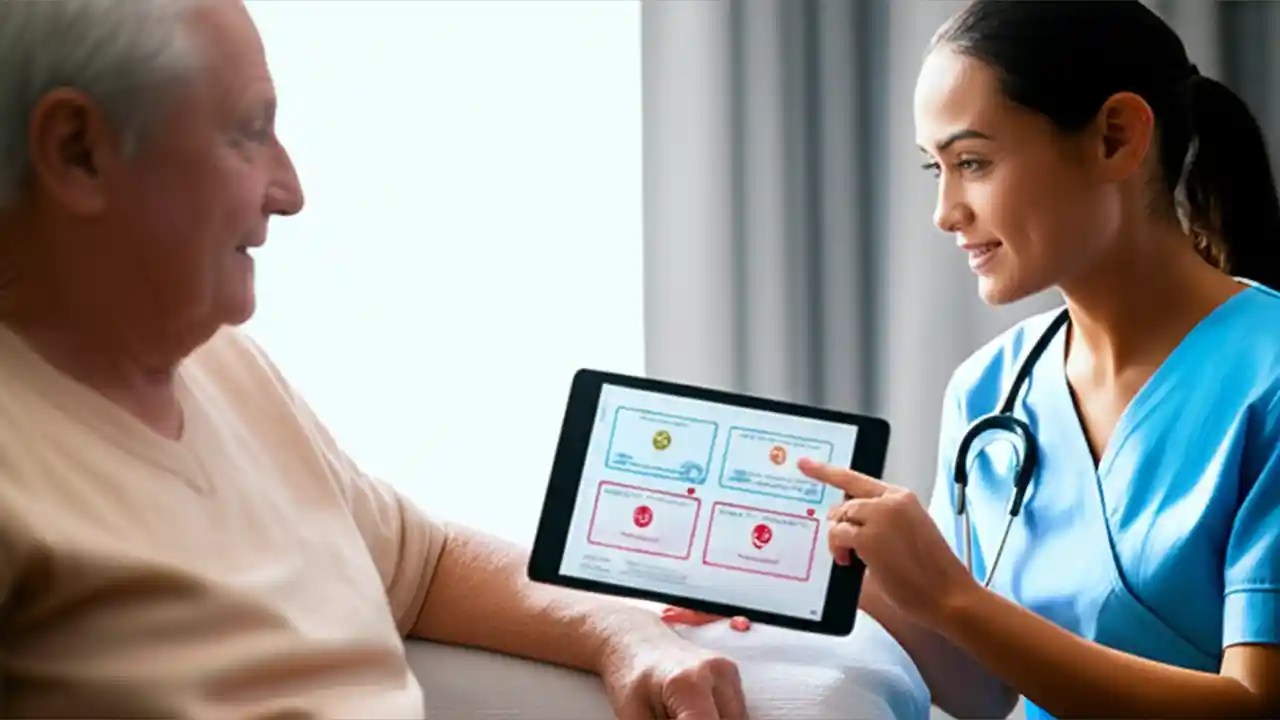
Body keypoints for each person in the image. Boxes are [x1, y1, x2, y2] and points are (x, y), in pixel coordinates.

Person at [0, 1, 750, 717]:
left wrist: (627, 631)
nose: (288, 192)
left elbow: (423, 568)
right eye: (247, 133)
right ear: (77, 152)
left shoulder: (227, 369)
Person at [665, 1, 1280, 718]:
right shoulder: (990, 389)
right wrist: (818, 577)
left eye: (973, 163)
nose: (944, 210)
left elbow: (1252, 705)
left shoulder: (1265, 376)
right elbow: (988, 690)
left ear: (1116, 137)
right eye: (937, 168)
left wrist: (951, 597)